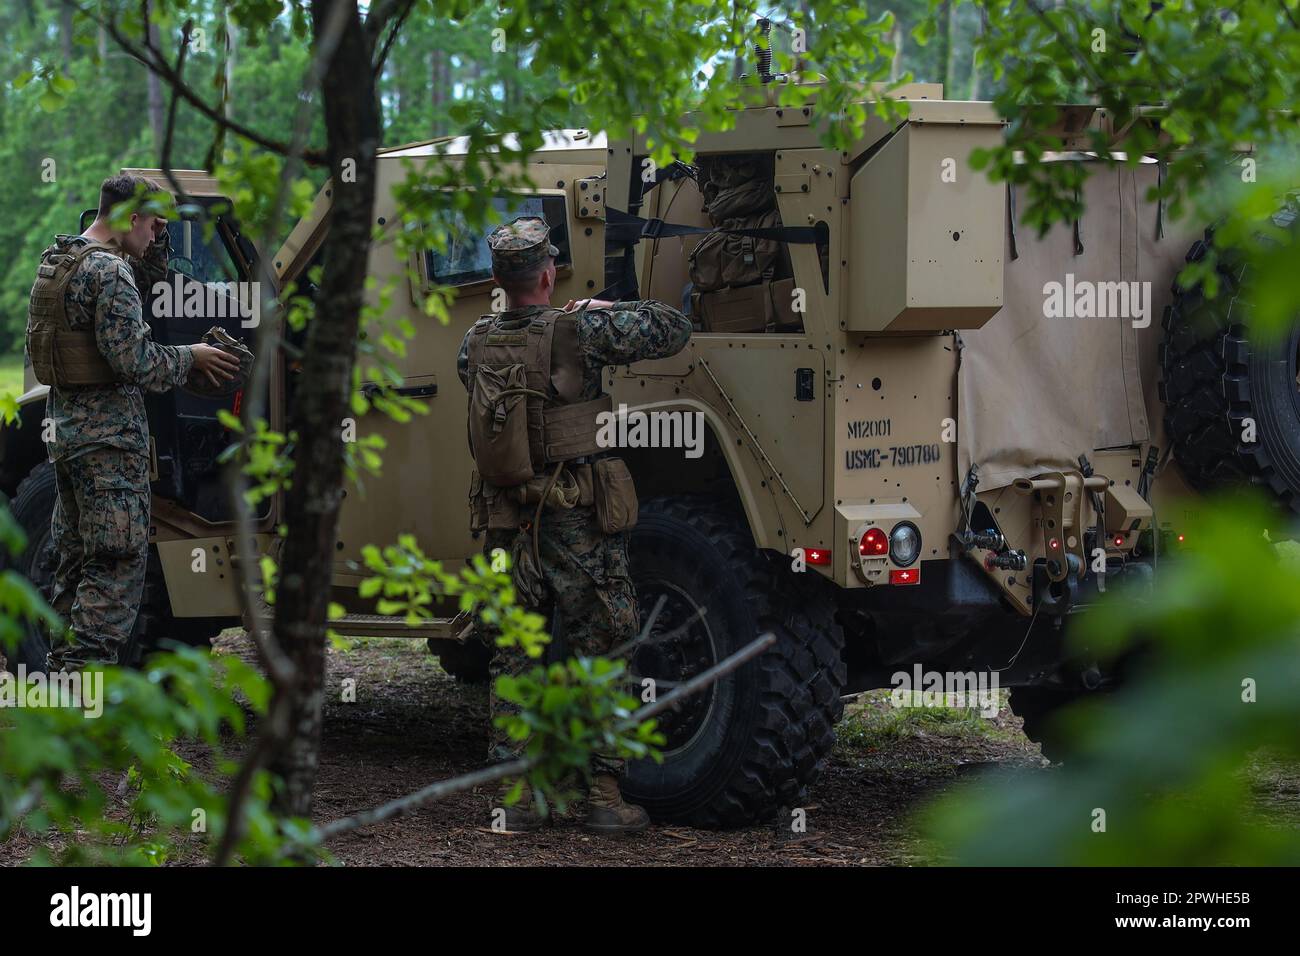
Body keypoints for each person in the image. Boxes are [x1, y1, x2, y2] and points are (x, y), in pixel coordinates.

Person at [457, 216, 691, 834]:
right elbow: (674, 328)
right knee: (604, 645)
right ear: (548, 272)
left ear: (498, 280)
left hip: (506, 522)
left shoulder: (475, 340)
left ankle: (517, 793)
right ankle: (604, 797)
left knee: (513, 652)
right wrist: (596, 308)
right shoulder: (581, 329)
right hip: (572, 516)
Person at [28, 174, 240, 671]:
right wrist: (195, 357)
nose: (156, 235)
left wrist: (155, 241)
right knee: (116, 569)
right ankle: (86, 694)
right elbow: (137, 361)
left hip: (69, 438)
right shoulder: (110, 273)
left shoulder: (61, 260)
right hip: (109, 447)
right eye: (154, 225)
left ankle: (64, 688)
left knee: (74, 567)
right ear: (129, 217)